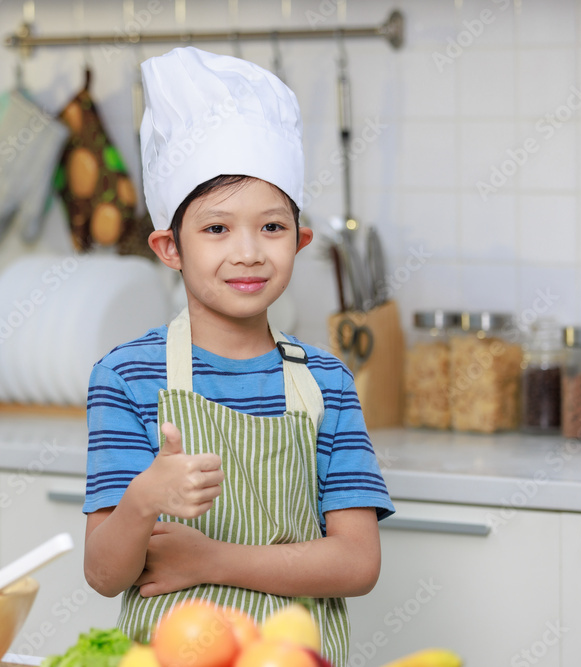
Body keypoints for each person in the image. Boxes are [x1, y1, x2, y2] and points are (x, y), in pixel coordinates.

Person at [82, 46, 394, 667]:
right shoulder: (126, 377)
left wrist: (210, 560)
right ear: (170, 246)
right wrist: (144, 497)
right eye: (217, 229)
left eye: (272, 228)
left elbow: (358, 564)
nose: (249, 252)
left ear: (300, 241)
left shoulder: (326, 382)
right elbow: (103, 573)